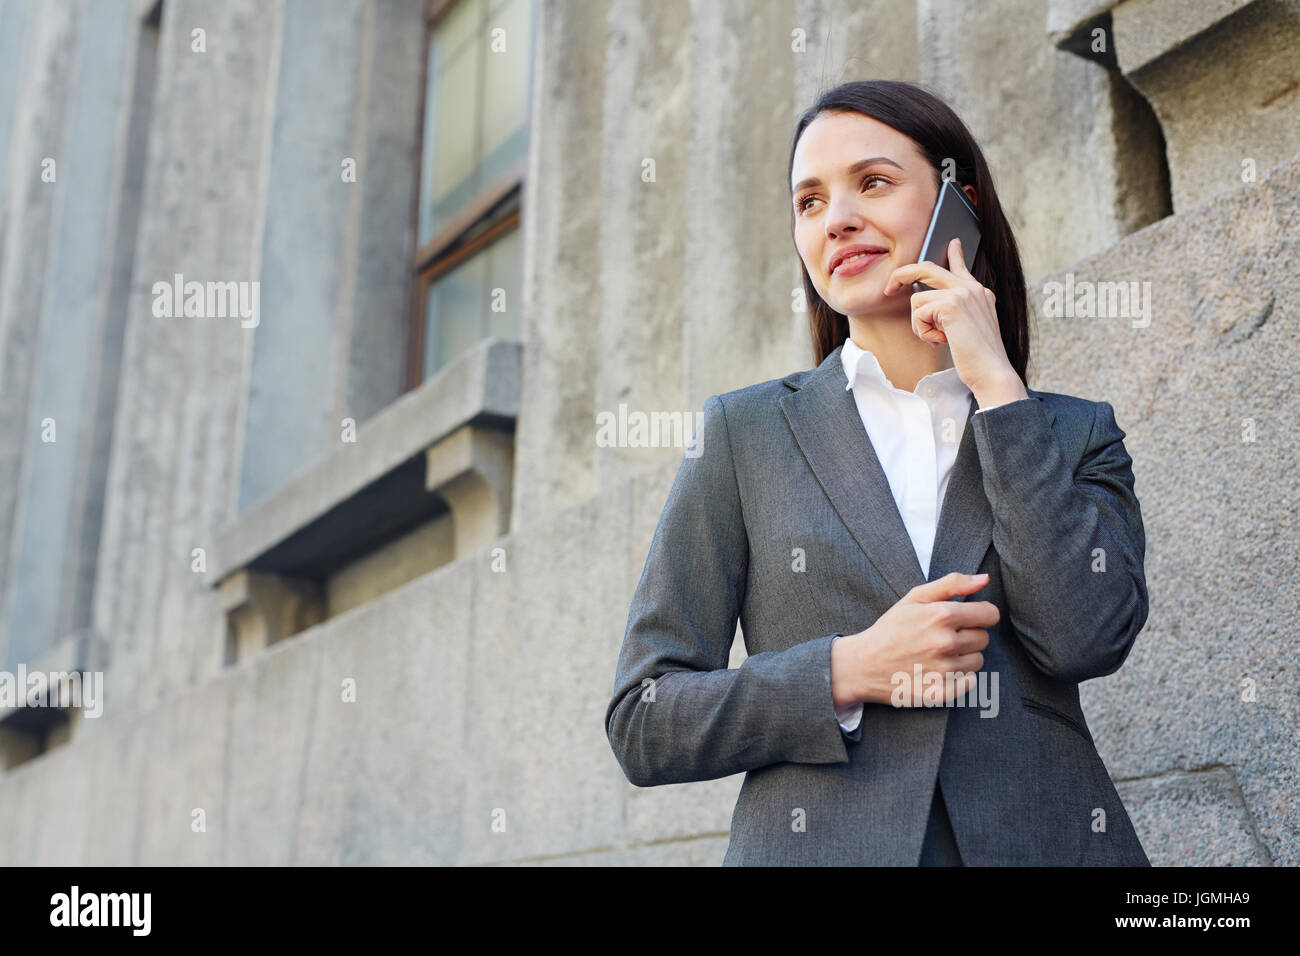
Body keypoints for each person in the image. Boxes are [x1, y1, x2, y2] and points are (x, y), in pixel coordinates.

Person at [604, 79, 1151, 866]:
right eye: (810, 202)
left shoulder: (1069, 432)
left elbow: (1085, 639)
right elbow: (644, 720)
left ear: (954, 203)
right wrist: (844, 670)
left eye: (874, 183)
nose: (839, 220)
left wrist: (999, 388)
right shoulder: (745, 434)